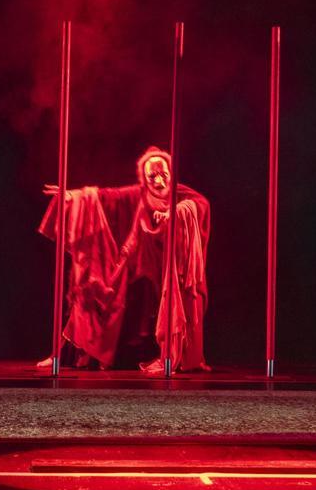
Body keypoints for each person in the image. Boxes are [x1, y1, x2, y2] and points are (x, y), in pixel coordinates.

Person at [37, 147, 211, 374]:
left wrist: (175, 213)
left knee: (177, 305)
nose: (159, 181)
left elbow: (201, 205)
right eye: (152, 176)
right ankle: (68, 353)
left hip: (173, 268)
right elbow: (108, 196)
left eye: (163, 174)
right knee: (99, 291)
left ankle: (178, 357)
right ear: (145, 178)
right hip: (140, 261)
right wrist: (73, 196)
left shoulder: (180, 195)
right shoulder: (139, 195)